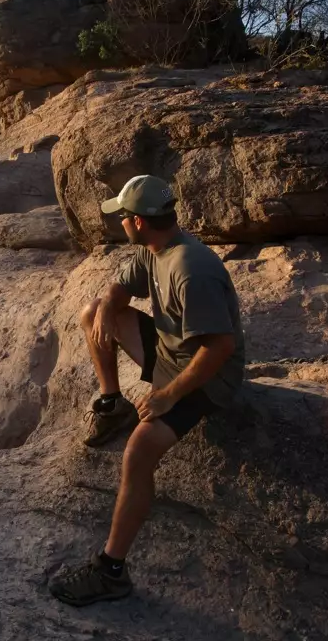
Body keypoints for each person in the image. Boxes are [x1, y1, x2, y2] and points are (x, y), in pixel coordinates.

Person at [49, 174, 245, 607]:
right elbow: (119, 289)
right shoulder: (153, 249)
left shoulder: (191, 267)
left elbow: (221, 347)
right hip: (174, 355)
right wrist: (105, 306)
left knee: (138, 452)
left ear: (137, 221)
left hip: (206, 377)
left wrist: (169, 394)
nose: (119, 222)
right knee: (92, 315)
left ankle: (111, 572)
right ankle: (111, 401)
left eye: (122, 216)